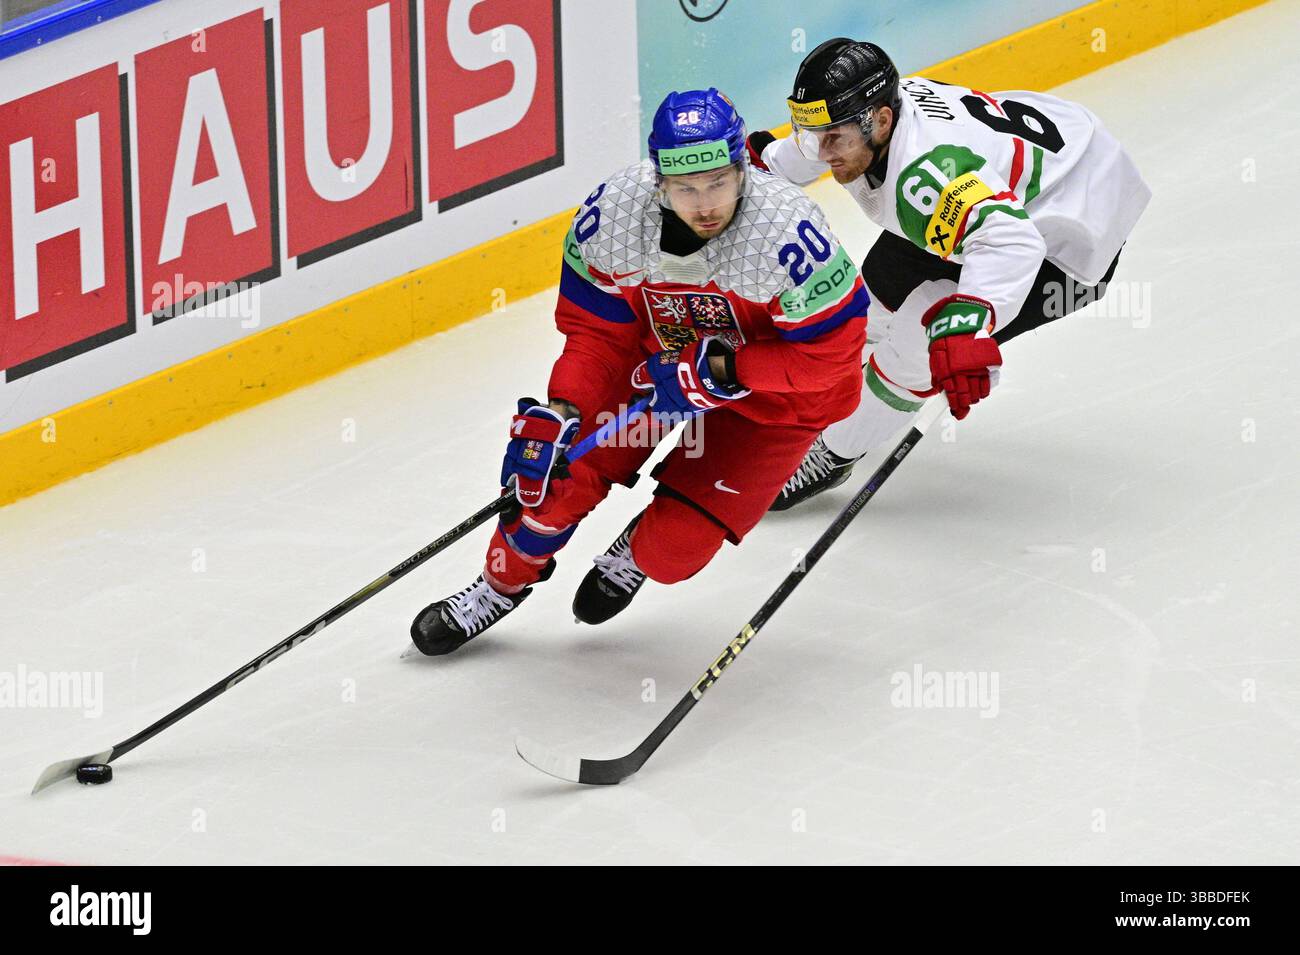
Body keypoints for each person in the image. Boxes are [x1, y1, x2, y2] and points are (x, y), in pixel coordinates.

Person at [410, 88, 870, 656]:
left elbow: (833, 358)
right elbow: (598, 335)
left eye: (718, 184)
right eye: (685, 188)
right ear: (659, 181)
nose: (704, 204)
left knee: (672, 553)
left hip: (774, 394)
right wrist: (563, 410)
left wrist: (727, 369)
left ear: (742, 172)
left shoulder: (784, 233)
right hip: (657, 366)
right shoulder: (613, 218)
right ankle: (498, 586)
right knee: (551, 477)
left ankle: (635, 553)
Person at [749, 39, 1151, 510]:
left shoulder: (923, 176)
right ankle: (849, 394)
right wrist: (758, 169)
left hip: (1068, 233)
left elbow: (1012, 241)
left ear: (880, 120)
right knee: (870, 306)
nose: (821, 149)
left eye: (833, 138)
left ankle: (834, 451)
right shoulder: (880, 116)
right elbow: (817, 142)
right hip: (1000, 188)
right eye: (811, 133)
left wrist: (968, 325)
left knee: (923, 339)